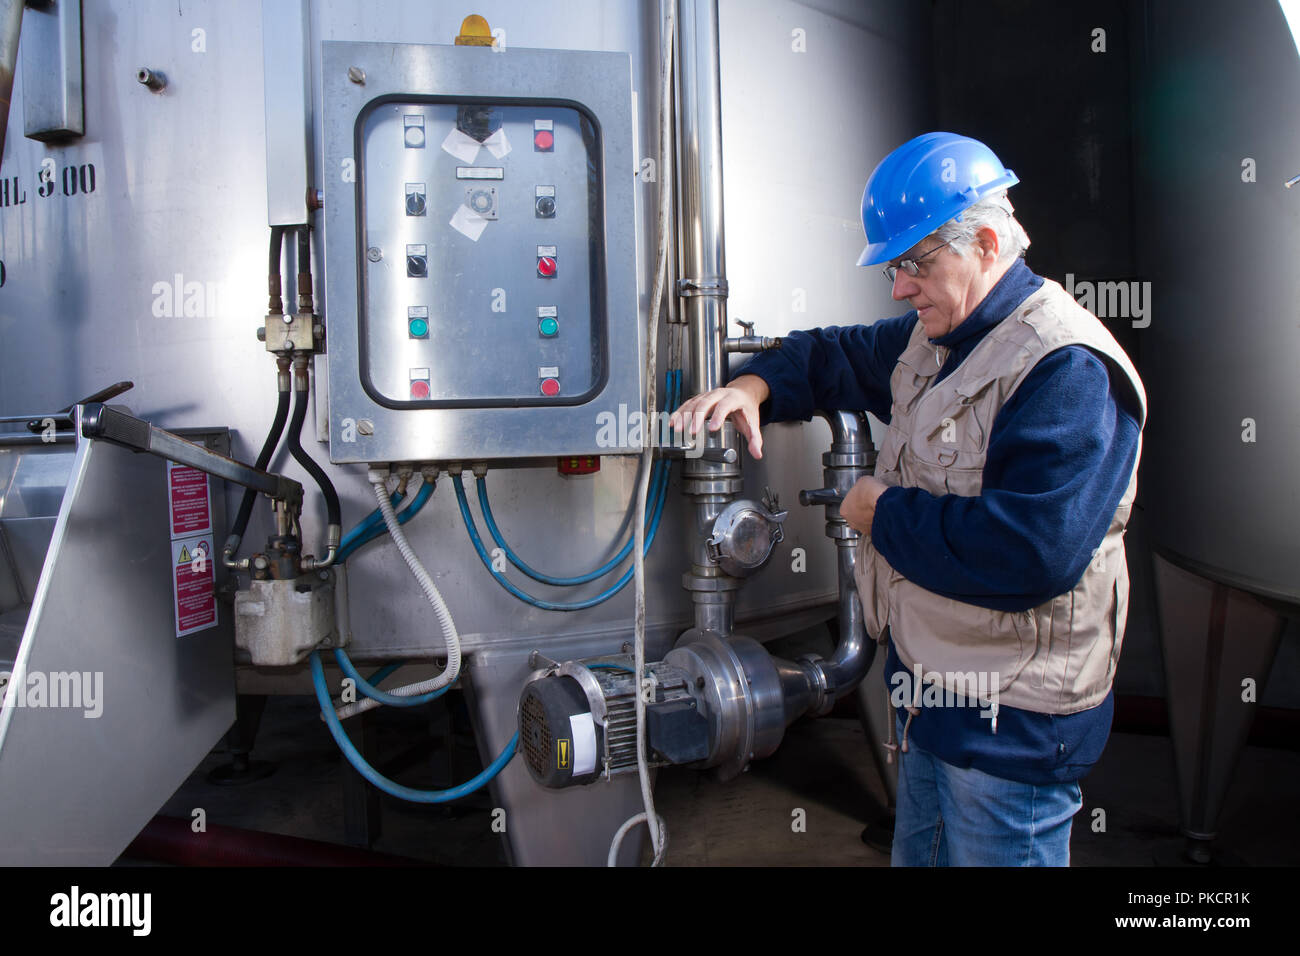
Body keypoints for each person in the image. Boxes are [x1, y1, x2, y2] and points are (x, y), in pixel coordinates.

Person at [670, 132, 1146, 866]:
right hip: (929, 702)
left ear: (986, 243)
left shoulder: (1064, 369)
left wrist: (875, 512)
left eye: (915, 264)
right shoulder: (937, 337)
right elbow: (825, 354)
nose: (899, 288)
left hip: (1010, 728)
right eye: (895, 267)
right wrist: (753, 387)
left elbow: (1028, 554)